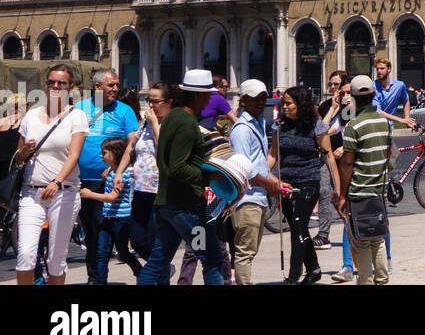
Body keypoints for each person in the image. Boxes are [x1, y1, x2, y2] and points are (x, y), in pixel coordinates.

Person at [138, 69, 226, 285]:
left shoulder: (172, 118)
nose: (210, 99)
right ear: (199, 96)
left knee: (158, 260)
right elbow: (177, 167)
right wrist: (209, 176)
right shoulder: (187, 123)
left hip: (168, 205)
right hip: (188, 208)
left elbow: (163, 161)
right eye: (208, 95)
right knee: (212, 258)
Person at [14, 63, 89, 285]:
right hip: (32, 192)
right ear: (45, 85)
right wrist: (24, 152)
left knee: (56, 259)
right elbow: (18, 158)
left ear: (71, 87)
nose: (55, 86)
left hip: (64, 192)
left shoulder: (77, 117)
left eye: (61, 83)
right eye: (51, 82)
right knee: (26, 255)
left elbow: (74, 155)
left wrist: (57, 181)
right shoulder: (31, 116)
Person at [72, 68, 137, 286]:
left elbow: (132, 145)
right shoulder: (79, 109)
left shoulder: (125, 111)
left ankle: (97, 278)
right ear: (98, 87)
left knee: (102, 230)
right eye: (112, 85)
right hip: (80, 181)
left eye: (117, 85)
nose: (116, 89)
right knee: (89, 230)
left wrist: (117, 167)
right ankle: (95, 274)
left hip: (107, 182)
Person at [277, 86, 338, 284]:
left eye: (288, 103)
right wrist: (264, 176)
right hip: (285, 183)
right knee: (299, 228)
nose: (284, 106)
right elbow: (272, 155)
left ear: (300, 105)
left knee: (297, 223)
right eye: (283, 103)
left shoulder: (317, 127)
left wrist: (337, 188)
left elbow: (329, 156)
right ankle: (314, 268)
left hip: (308, 181)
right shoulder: (280, 126)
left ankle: (294, 276)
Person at [335, 74, 393, 285]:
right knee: (377, 238)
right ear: (373, 94)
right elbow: (387, 155)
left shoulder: (354, 126)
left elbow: (347, 164)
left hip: (359, 192)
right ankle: (382, 277)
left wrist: (342, 195)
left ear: (353, 97)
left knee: (360, 241)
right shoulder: (384, 122)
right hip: (379, 189)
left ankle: (366, 281)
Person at [228, 79, 286, 285]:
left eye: (263, 98)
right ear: (243, 100)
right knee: (244, 252)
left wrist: (275, 181)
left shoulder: (258, 123)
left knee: (249, 251)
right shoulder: (242, 129)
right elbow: (244, 169)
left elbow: (259, 162)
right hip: (247, 198)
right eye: (255, 98)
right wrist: (270, 185)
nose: (261, 102)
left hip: (258, 197)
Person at [80, 136, 143, 281]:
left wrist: (90, 194)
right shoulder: (111, 172)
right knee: (102, 254)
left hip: (121, 220)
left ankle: (141, 273)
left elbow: (112, 197)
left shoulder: (123, 175)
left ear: (115, 154)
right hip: (107, 218)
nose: (101, 156)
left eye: (104, 153)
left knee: (123, 252)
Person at [125, 82, 171, 260]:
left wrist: (154, 125)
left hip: (159, 191)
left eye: (155, 101)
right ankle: (161, 270)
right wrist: (119, 172)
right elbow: (131, 146)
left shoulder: (171, 122)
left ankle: (159, 274)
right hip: (140, 188)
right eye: (148, 100)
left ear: (169, 102)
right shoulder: (145, 122)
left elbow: (167, 151)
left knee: (154, 239)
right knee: (137, 240)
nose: (151, 105)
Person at [315, 71, 349, 250]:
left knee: (345, 195)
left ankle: (352, 231)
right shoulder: (328, 106)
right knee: (326, 193)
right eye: (332, 86)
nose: (334, 89)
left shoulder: (352, 108)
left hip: (345, 156)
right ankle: (323, 234)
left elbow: (351, 132)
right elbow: (323, 130)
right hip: (327, 153)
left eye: (338, 86)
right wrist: (334, 108)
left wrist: (344, 148)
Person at [372, 58, 417, 131]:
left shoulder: (399, 85)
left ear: (389, 69)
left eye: (382, 68)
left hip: (390, 127)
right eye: (377, 69)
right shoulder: (372, 87)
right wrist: (402, 120)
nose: (379, 71)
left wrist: (407, 118)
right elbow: (378, 112)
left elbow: (406, 100)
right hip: (375, 127)